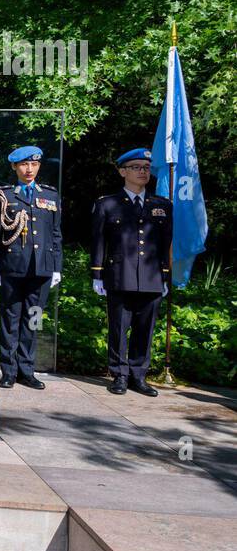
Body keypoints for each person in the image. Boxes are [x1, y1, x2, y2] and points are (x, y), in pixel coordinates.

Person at [91, 147, 172, 397]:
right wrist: (97, 274)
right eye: (136, 167)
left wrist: (165, 275)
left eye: (146, 168)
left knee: (145, 328)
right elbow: (98, 241)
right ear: (122, 171)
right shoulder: (107, 204)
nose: (143, 172)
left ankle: (139, 375)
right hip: (119, 275)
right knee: (119, 328)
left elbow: (165, 243)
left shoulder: (162, 205)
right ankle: (119, 374)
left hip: (151, 276)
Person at [0, 145, 62, 389]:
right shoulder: (4, 195)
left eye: (34, 164)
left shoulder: (50, 195)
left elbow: (55, 234)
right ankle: (9, 371)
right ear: (14, 166)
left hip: (41, 270)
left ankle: (27, 371)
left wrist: (57, 267)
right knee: (10, 320)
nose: (30, 169)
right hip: (12, 267)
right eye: (24, 164)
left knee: (33, 320)